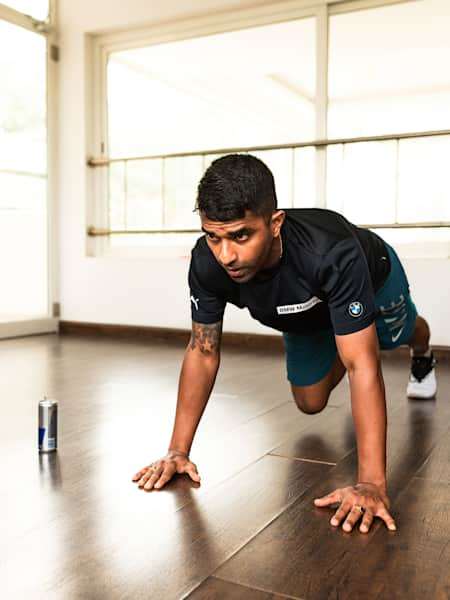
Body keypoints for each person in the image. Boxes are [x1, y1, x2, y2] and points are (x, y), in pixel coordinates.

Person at [132, 154, 437, 534]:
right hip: (307, 313)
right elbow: (202, 350)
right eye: (214, 236)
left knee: (396, 335)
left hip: (372, 276)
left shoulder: (331, 250)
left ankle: (421, 351)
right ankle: (344, 333)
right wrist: (177, 452)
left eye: (241, 235)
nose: (226, 254)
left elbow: (363, 366)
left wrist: (371, 485)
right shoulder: (208, 263)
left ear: (275, 223)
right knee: (309, 402)